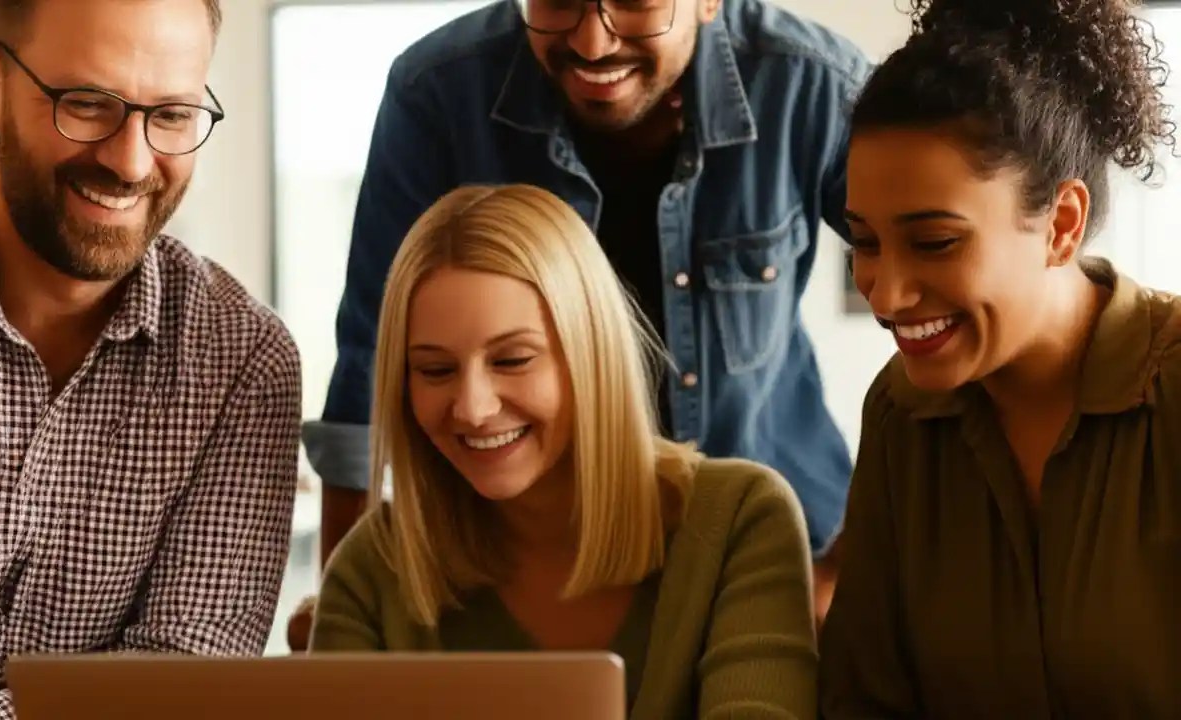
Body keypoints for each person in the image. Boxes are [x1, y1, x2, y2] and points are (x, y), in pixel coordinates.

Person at [302, 0, 871, 633]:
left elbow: (943, 312)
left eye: (634, 4)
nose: (594, 43)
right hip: (530, 566)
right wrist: (342, 606)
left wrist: (846, 567)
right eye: (558, 3)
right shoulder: (436, 91)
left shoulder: (813, 83)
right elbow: (369, 355)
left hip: (782, 547)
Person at [0, 0, 302, 715]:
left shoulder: (244, 363)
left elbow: (182, 680)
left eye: (173, 115)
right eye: (86, 104)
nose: (131, 161)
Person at [309, 184, 817, 718]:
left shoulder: (741, 521)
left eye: (512, 360)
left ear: (589, 354)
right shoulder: (374, 569)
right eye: (436, 370)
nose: (473, 408)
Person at [819, 0, 1179, 717]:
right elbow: (863, 698)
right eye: (864, 241)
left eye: (935, 242)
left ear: (1062, 225)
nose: (886, 292)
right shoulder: (901, 411)